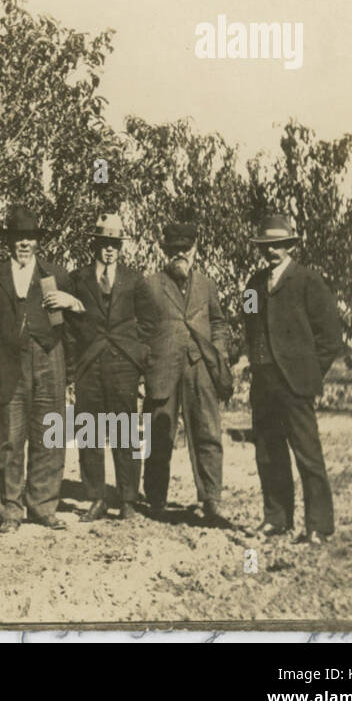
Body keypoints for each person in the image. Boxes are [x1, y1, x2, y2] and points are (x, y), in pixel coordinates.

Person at [0, 204, 82, 533]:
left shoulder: (54, 274)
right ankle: (11, 512)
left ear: (37, 241)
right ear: (9, 241)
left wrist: (70, 303)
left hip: (50, 359)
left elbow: (74, 329)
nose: (24, 244)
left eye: (29, 237)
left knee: (50, 437)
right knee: (10, 439)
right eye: (18, 238)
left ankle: (44, 507)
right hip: (6, 366)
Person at [243, 214, 343, 545]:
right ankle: (276, 518)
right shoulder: (253, 284)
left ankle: (318, 526)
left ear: (289, 246)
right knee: (268, 453)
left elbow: (330, 337)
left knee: (308, 454)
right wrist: (255, 366)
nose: (272, 251)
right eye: (267, 246)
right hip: (264, 384)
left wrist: (309, 373)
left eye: (279, 245)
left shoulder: (308, 281)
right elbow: (250, 328)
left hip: (295, 385)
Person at [138, 222, 233, 527]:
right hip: (161, 370)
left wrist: (217, 353)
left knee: (207, 432)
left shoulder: (207, 285)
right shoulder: (150, 284)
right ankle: (155, 500)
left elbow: (219, 323)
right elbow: (137, 330)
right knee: (158, 435)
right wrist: (144, 369)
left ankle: (211, 499)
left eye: (186, 248)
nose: (180, 254)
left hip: (199, 368)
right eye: (174, 249)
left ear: (195, 250)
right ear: (164, 250)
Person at [66, 213, 152, 522]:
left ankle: (128, 499)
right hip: (89, 366)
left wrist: (139, 359)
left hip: (123, 367)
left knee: (125, 433)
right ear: (96, 245)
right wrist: (71, 370)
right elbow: (70, 328)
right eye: (104, 244)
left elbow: (149, 323)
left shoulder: (134, 279)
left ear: (121, 247)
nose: (109, 250)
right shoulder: (78, 278)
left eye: (115, 244)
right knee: (89, 433)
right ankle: (97, 498)